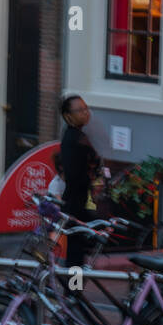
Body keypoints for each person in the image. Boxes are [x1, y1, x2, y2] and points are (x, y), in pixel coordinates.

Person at [58, 95, 103, 268]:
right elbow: (74, 173)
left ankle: (73, 290)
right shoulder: (73, 138)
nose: (85, 113)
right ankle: (72, 290)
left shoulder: (77, 136)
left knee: (78, 250)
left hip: (79, 200)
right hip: (76, 203)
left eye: (86, 108)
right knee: (76, 252)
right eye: (80, 110)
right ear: (68, 116)